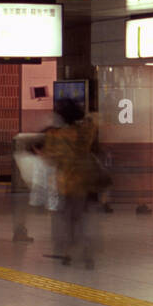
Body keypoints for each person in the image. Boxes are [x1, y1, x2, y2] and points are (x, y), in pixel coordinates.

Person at [43, 98, 100, 268]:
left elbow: (50, 156)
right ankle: (87, 252)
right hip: (84, 180)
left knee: (67, 219)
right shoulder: (84, 131)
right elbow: (92, 123)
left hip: (66, 182)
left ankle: (68, 252)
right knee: (81, 218)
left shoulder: (55, 135)